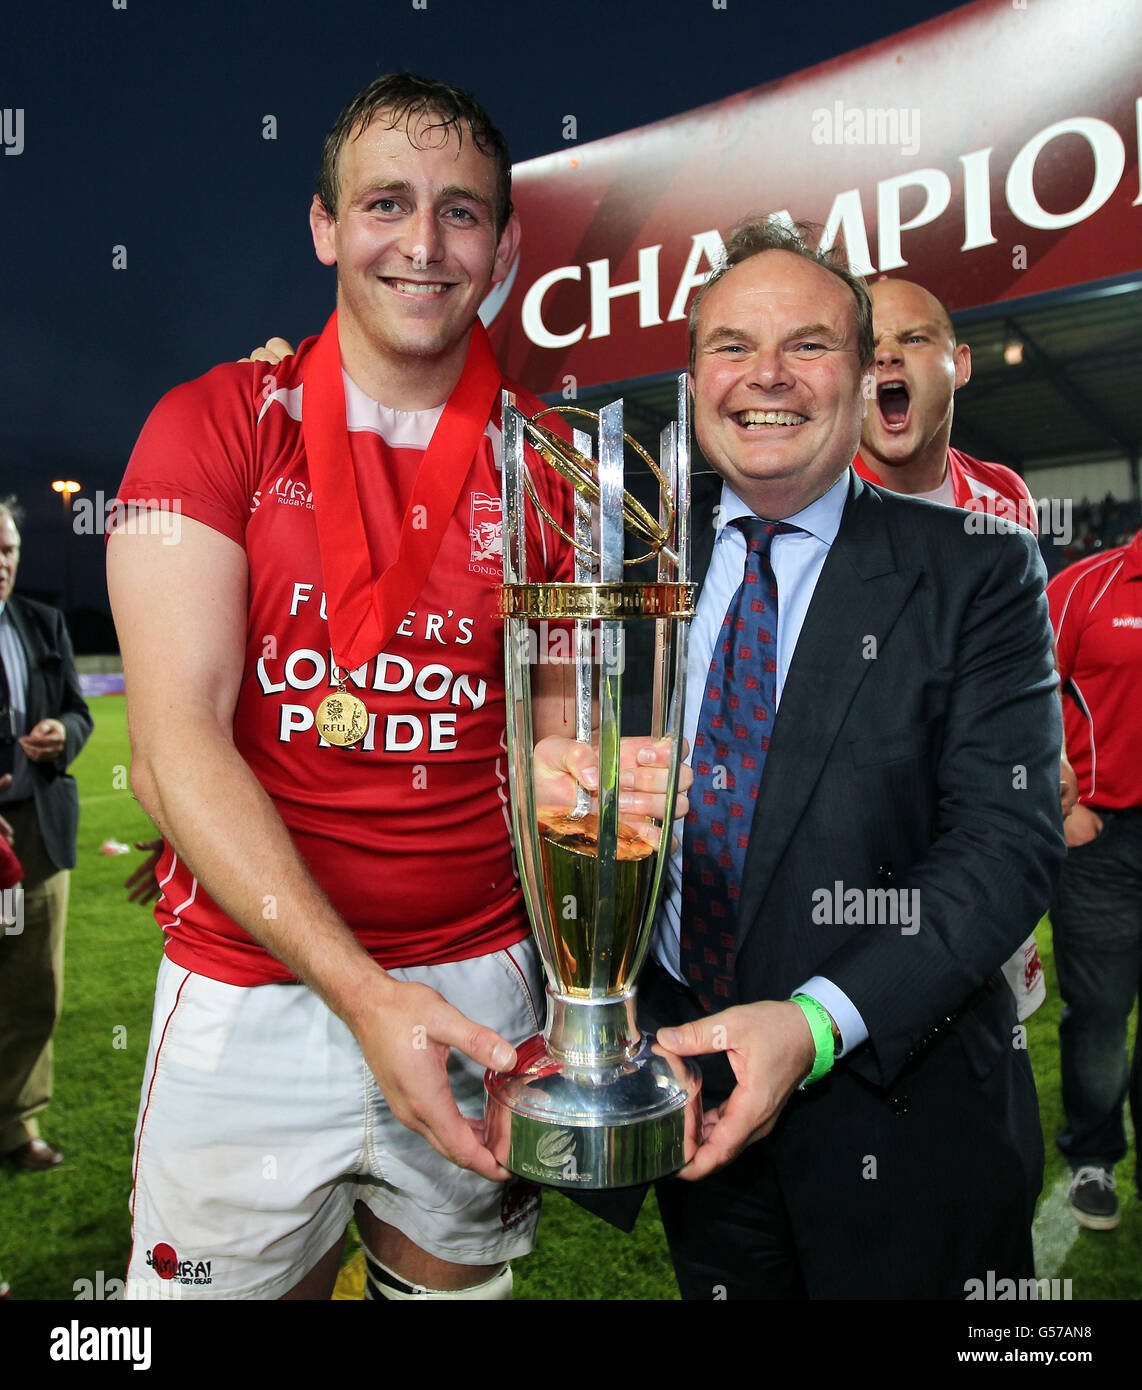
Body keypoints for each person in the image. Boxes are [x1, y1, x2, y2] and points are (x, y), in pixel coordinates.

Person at [108, 72, 681, 1302]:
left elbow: (562, 767)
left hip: (479, 990)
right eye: (384, 203)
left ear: (507, 246)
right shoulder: (211, 423)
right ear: (324, 226)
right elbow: (170, 748)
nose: (422, 244)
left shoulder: (555, 473)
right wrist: (366, 996)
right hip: (249, 992)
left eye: (462, 212)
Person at [600, 220, 1064, 1299]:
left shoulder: (975, 574)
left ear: (860, 377)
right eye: (730, 345)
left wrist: (812, 1024)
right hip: (696, 1110)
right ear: (691, 377)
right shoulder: (625, 575)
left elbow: (1003, 850)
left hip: (905, 1121)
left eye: (807, 345)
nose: (764, 376)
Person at [853, 276, 1057, 1020]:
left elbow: (1022, 655)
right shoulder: (816, 499)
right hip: (873, 824)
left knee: (991, 1024)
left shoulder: (1003, 495)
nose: (888, 361)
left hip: (981, 805)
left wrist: (1045, 745)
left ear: (960, 363)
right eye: (869, 348)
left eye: (913, 340)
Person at [1046, 526, 1142, 1230]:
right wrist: (1063, 802)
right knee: (1103, 1014)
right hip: (1102, 838)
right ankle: (1094, 1156)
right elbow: (1022, 685)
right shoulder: (1085, 585)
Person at [0, 498, 93, 1171]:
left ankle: (15, 1125)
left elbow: (77, 711)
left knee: (32, 985)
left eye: (7, 550)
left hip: (32, 839)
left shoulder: (40, 622)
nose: (1, 564)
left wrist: (64, 734)